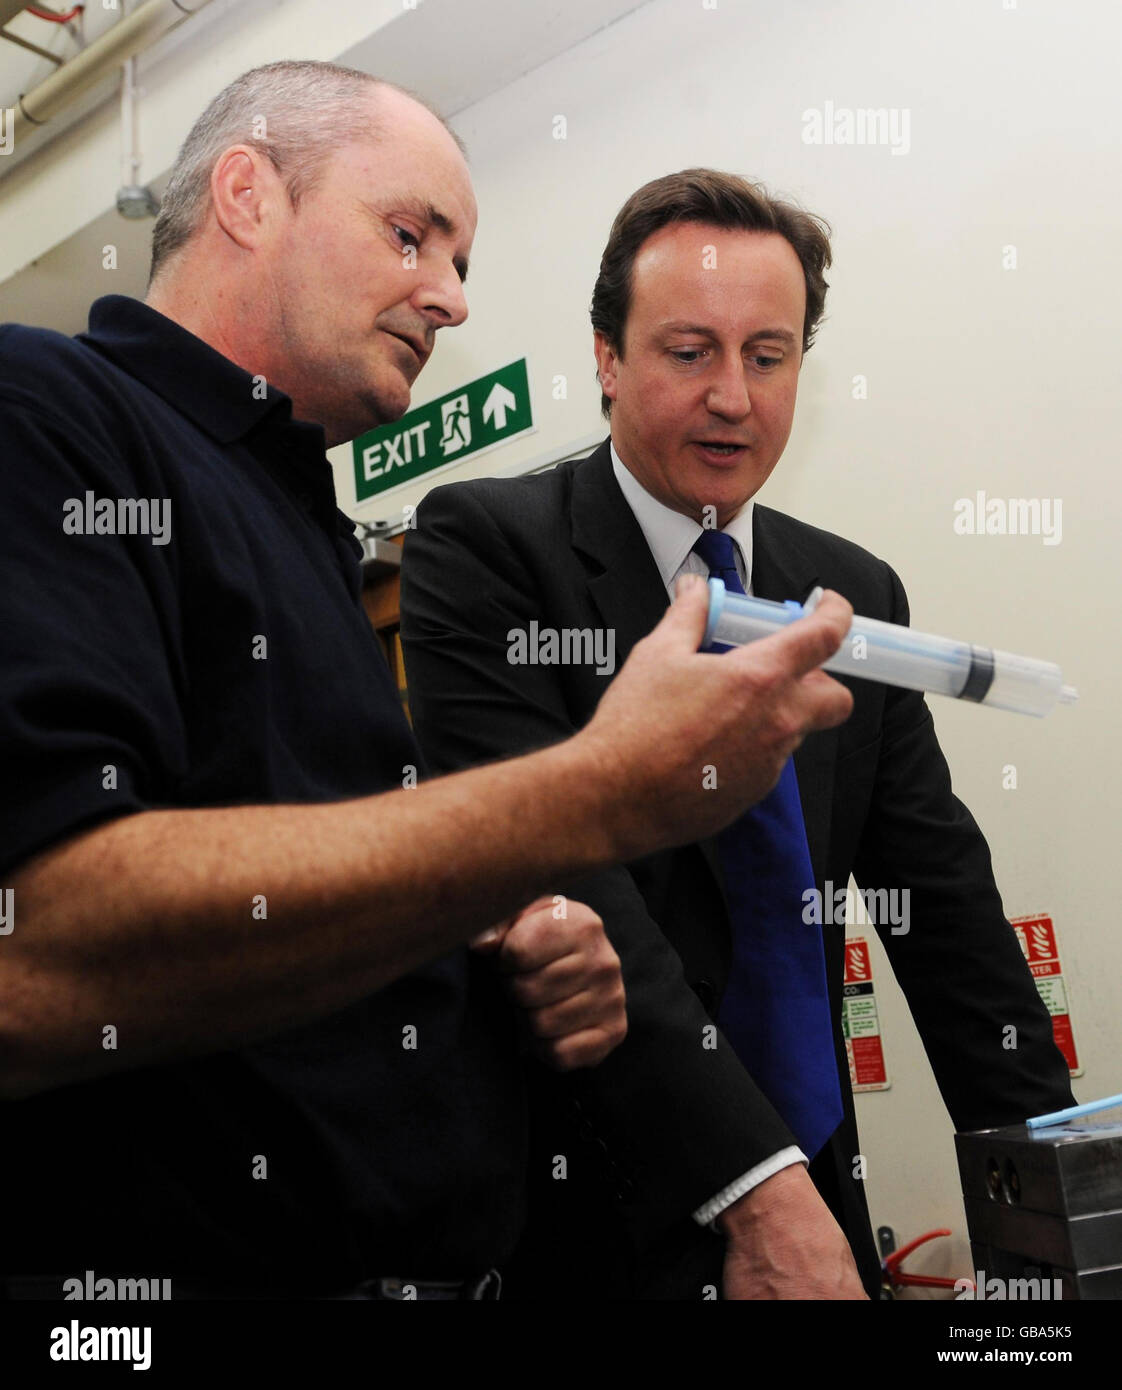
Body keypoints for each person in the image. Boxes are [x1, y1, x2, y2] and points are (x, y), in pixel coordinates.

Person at [0, 72, 857, 1300]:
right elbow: (40, 944)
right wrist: (593, 792)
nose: (451, 297)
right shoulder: (46, 411)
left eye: (460, 258)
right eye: (412, 235)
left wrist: (502, 947)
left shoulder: (304, 522)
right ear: (247, 194)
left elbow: (294, 894)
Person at [398, 168, 1076, 1300]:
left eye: (769, 356)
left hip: (820, 1202)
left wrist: (1068, 1184)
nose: (733, 396)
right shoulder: (489, 548)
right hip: (598, 1219)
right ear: (608, 358)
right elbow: (564, 869)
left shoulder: (849, 591)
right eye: (688, 351)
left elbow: (945, 905)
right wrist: (756, 1188)